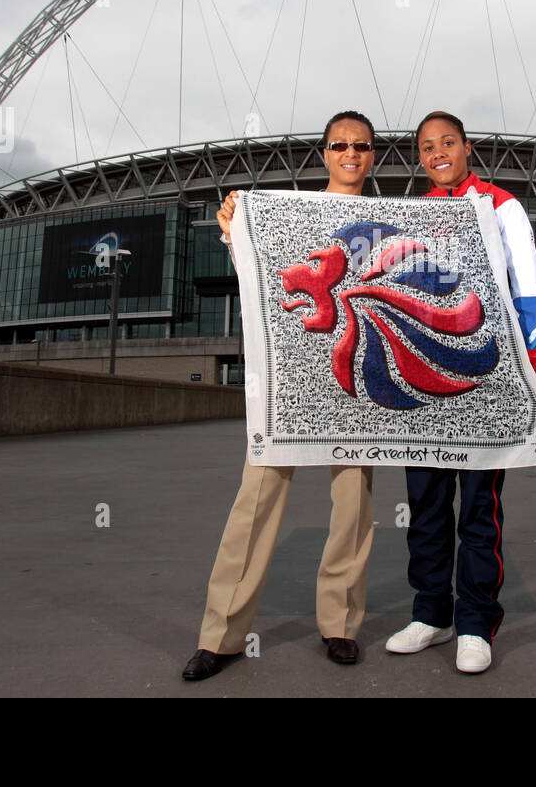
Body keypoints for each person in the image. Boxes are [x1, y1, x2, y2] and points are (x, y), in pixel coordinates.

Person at [182, 111, 378, 681]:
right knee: (257, 499)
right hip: (290, 379)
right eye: (339, 145)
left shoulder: (385, 222)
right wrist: (233, 230)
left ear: (372, 155)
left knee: (354, 506)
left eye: (360, 145)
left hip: (353, 377)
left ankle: (341, 625)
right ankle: (220, 635)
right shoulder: (291, 212)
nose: (350, 153)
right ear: (324, 153)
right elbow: (263, 273)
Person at [386, 110, 536, 674]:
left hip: (488, 374)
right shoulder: (410, 214)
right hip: (426, 376)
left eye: (447, 142)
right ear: (419, 157)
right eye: (426, 146)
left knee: (479, 509)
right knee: (426, 504)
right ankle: (431, 614)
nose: (437, 152)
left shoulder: (502, 205)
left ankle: (475, 623)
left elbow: (528, 288)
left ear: (467, 148)